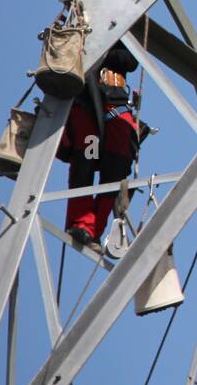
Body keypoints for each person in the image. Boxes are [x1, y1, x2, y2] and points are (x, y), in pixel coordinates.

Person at [56, 40, 148, 252]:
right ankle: (81, 223)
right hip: (86, 98)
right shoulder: (81, 23)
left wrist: (101, 49)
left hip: (114, 101)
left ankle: (93, 228)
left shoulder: (124, 32)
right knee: (85, 159)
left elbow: (130, 61)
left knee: (117, 165)